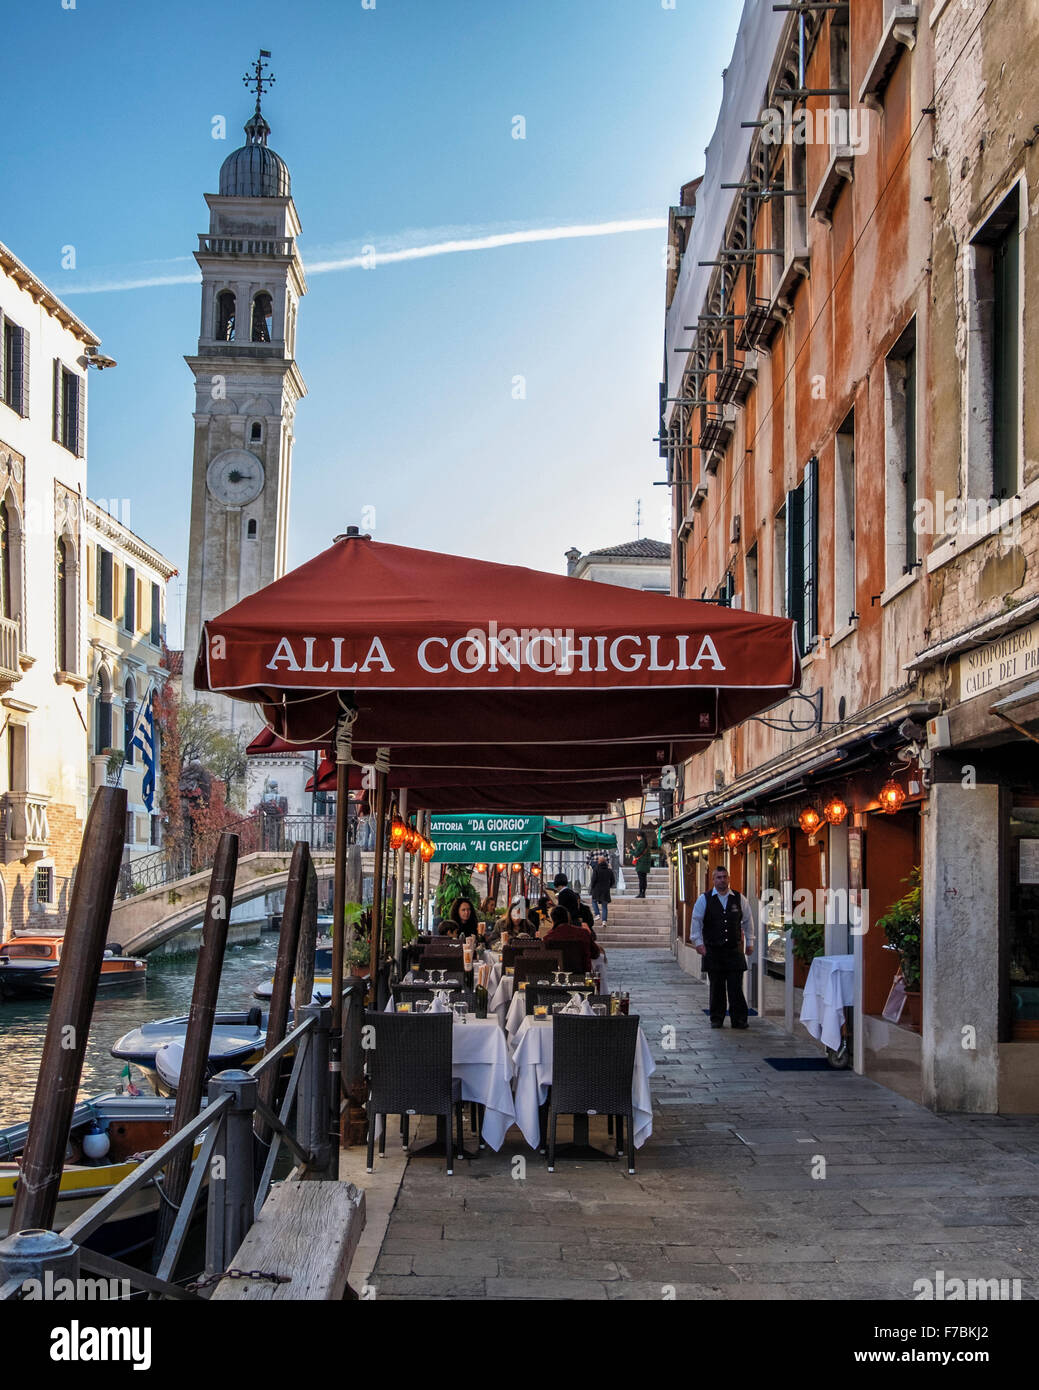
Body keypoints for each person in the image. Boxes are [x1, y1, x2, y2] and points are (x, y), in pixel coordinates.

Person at [690, 865, 755, 1028]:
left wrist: (750, 942)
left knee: (736, 987)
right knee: (717, 987)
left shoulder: (740, 899)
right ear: (713, 880)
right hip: (713, 950)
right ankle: (717, 1018)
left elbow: (748, 921)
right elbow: (696, 921)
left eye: (724, 877)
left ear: (729, 878)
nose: (722, 880)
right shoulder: (704, 899)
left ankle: (739, 1019)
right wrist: (698, 943)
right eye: (718, 877)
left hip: (734, 950)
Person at [543, 904, 593, 973]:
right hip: (582, 975)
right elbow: (595, 953)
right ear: (568, 917)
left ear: (553, 920)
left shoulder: (548, 938)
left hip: (557, 977)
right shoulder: (583, 933)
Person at [589, 854, 615, 924]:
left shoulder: (596, 869)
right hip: (605, 890)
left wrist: (592, 887)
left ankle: (597, 914)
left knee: (594, 901)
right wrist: (608, 886)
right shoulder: (609, 870)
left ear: (599, 862)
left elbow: (593, 880)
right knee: (604, 906)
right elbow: (613, 881)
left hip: (596, 890)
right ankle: (604, 921)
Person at [630, 830, 652, 898]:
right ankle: (643, 893)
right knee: (643, 879)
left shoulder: (641, 843)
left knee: (641, 879)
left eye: (638, 836)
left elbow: (637, 853)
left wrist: (630, 851)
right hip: (645, 864)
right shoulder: (644, 843)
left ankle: (641, 893)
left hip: (641, 864)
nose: (637, 837)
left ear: (640, 836)